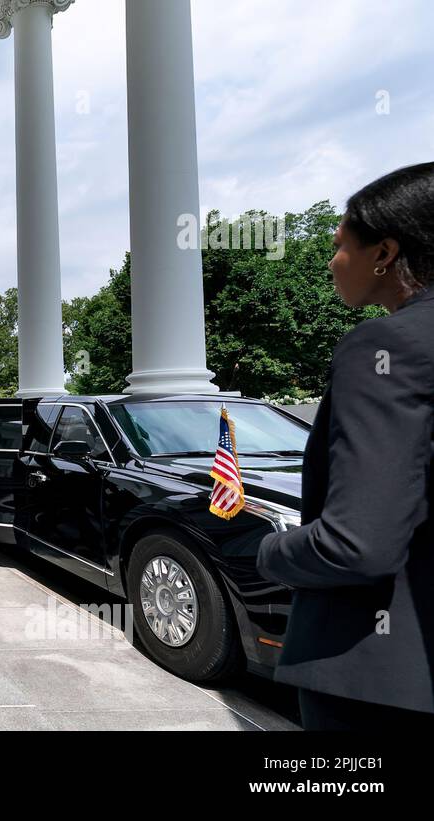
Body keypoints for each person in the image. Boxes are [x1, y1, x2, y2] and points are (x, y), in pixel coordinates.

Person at [258, 163, 434, 730]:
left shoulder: (386, 344)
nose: (332, 262)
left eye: (338, 245)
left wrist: (269, 550)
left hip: (378, 678)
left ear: (384, 252)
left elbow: (356, 546)